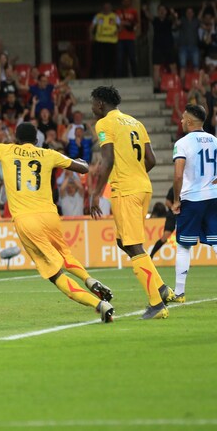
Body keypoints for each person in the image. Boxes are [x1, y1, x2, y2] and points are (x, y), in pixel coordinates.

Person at [0, 123, 115, 322]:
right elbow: (83, 167)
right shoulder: (48, 154)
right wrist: (78, 160)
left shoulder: (5, 149)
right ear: (36, 141)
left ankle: (99, 304)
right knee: (65, 254)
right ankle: (89, 279)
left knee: (55, 274)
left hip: (26, 220)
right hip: (50, 217)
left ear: (16, 140)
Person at [89, 86, 177, 319]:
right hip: (143, 187)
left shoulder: (104, 123)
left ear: (100, 104)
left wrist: (96, 193)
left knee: (134, 245)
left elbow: (107, 159)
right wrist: (136, 173)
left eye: (93, 103)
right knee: (123, 242)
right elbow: (152, 159)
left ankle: (157, 304)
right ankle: (161, 288)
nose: (92, 108)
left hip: (126, 190)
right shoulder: (136, 123)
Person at [170, 104, 217, 303]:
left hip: (192, 199)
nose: (181, 121)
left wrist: (175, 200)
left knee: (183, 246)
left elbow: (178, 175)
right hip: (214, 197)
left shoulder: (182, 143)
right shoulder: (215, 141)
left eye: (182, 118)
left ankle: (179, 293)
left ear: (189, 121)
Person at [90, 3, 120, 78]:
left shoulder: (115, 16)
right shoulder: (98, 16)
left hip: (111, 41)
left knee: (110, 59)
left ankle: (110, 75)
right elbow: (92, 26)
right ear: (103, 8)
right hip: (100, 40)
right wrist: (91, 35)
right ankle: (97, 75)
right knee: (98, 59)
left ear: (110, 8)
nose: (106, 9)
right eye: (105, 7)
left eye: (108, 7)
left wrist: (117, 31)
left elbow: (120, 26)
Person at [149, 187, 176, 259]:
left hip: (183, 216)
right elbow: (167, 202)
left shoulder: (187, 187)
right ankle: (151, 255)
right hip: (172, 216)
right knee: (164, 238)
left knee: (183, 239)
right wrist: (175, 208)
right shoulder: (173, 189)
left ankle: (184, 262)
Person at [115, 0, 139, 78]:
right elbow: (116, 24)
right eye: (124, 1)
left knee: (132, 57)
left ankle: (135, 75)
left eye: (128, 1)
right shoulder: (118, 12)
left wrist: (133, 28)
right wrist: (123, 24)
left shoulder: (134, 11)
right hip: (120, 38)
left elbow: (136, 23)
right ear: (122, 2)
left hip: (130, 38)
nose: (126, 2)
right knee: (120, 58)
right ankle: (119, 76)